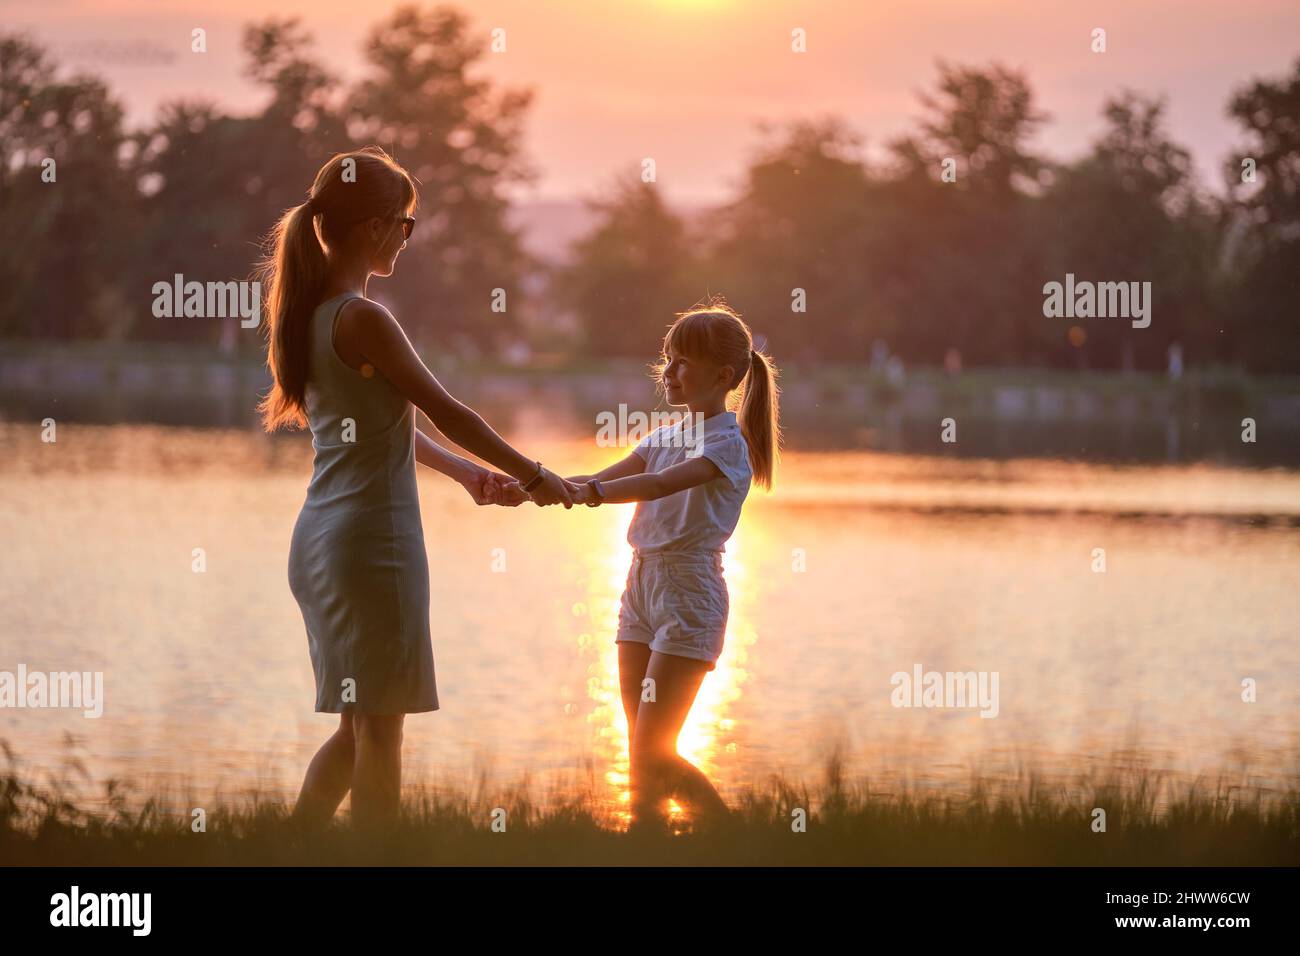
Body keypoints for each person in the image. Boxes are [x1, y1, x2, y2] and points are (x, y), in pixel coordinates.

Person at [255, 146, 576, 829]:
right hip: (375, 547)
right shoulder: (364, 318)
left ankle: (287, 850)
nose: (406, 236)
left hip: (320, 544)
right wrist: (537, 475)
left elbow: (384, 427)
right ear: (375, 228)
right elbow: (450, 411)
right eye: (405, 223)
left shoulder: (308, 317)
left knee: (355, 731)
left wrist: (466, 474)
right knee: (383, 735)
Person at [566, 297, 781, 830]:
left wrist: (588, 493)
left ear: (723, 375)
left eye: (685, 360)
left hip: (689, 594)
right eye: (669, 357)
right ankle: (650, 844)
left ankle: (734, 842)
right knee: (640, 759)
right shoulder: (663, 437)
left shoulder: (729, 445)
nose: (672, 370)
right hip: (640, 589)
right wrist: (534, 484)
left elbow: (660, 483)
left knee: (656, 752)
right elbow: (597, 480)